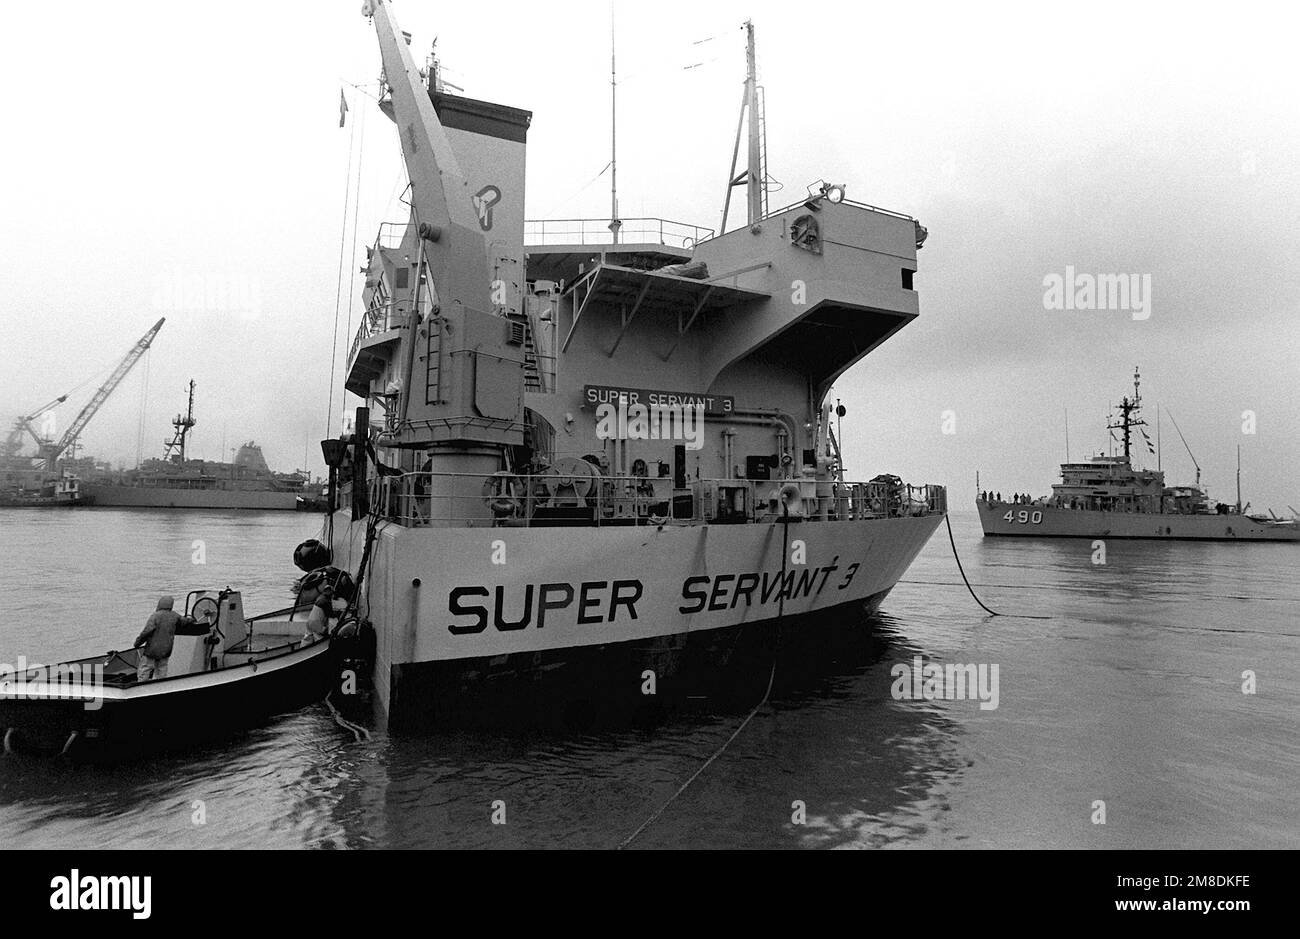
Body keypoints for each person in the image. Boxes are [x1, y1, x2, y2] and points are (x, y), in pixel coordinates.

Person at [134, 596, 181, 681]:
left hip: (152, 649)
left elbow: (146, 632)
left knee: (145, 668)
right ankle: (160, 686)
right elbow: (185, 621)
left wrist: (137, 643)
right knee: (162, 670)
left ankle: (141, 685)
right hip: (166, 650)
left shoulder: (155, 616)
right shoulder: (175, 616)